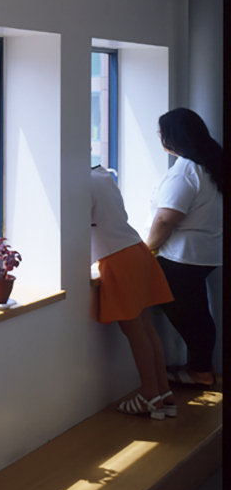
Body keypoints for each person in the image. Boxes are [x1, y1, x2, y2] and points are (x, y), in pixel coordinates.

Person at [146, 108, 223, 389]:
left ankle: (200, 373)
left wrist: (147, 249)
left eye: (161, 133)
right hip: (206, 254)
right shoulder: (211, 165)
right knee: (199, 314)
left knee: (193, 318)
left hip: (181, 257)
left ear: (172, 137)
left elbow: (167, 218)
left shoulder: (186, 170)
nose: (159, 138)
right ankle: (201, 368)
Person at [90, 165, 175, 418]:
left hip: (117, 259)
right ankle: (164, 393)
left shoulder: (80, 184)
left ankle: (150, 397)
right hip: (136, 250)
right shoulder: (102, 174)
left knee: (135, 332)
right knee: (147, 328)